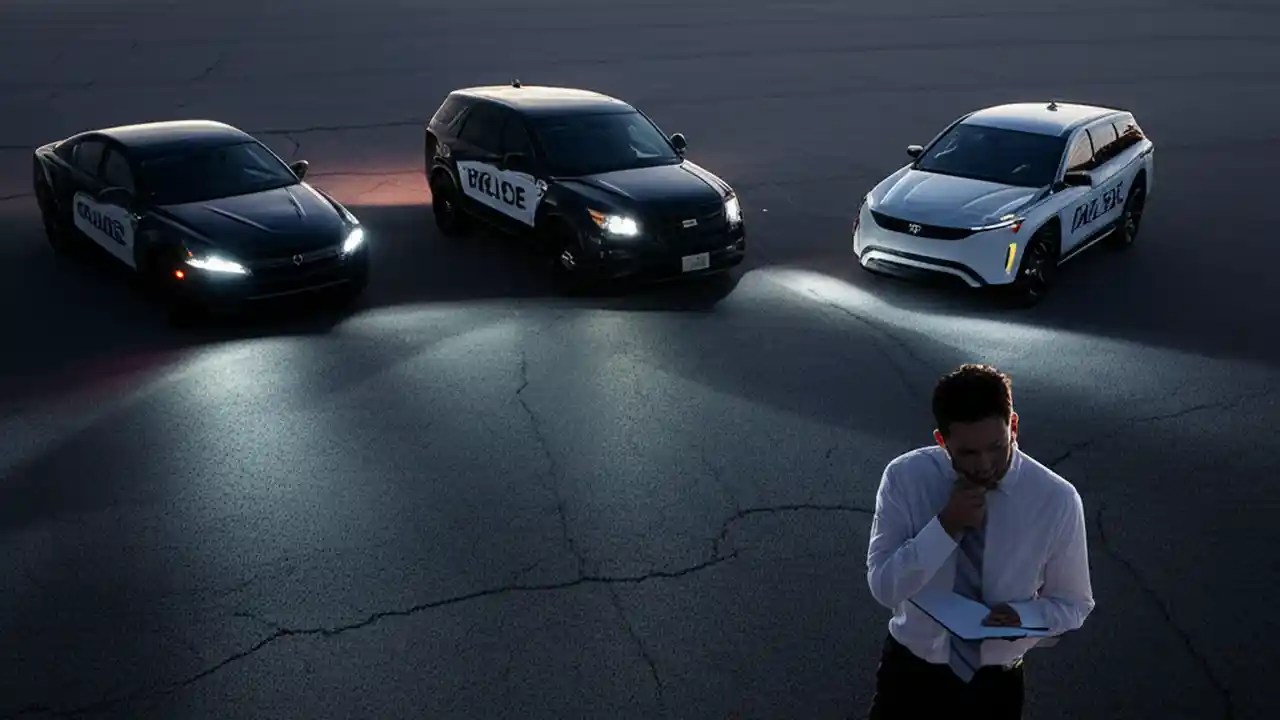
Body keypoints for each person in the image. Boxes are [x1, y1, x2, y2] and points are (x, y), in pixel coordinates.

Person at [862, 363, 1095, 719]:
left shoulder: (1056, 500)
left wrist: (1026, 615)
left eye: (996, 447)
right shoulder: (906, 478)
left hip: (993, 688)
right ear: (942, 440)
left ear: (1013, 426)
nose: (984, 464)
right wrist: (944, 528)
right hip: (910, 674)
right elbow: (884, 587)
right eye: (968, 453)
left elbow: (1075, 603)